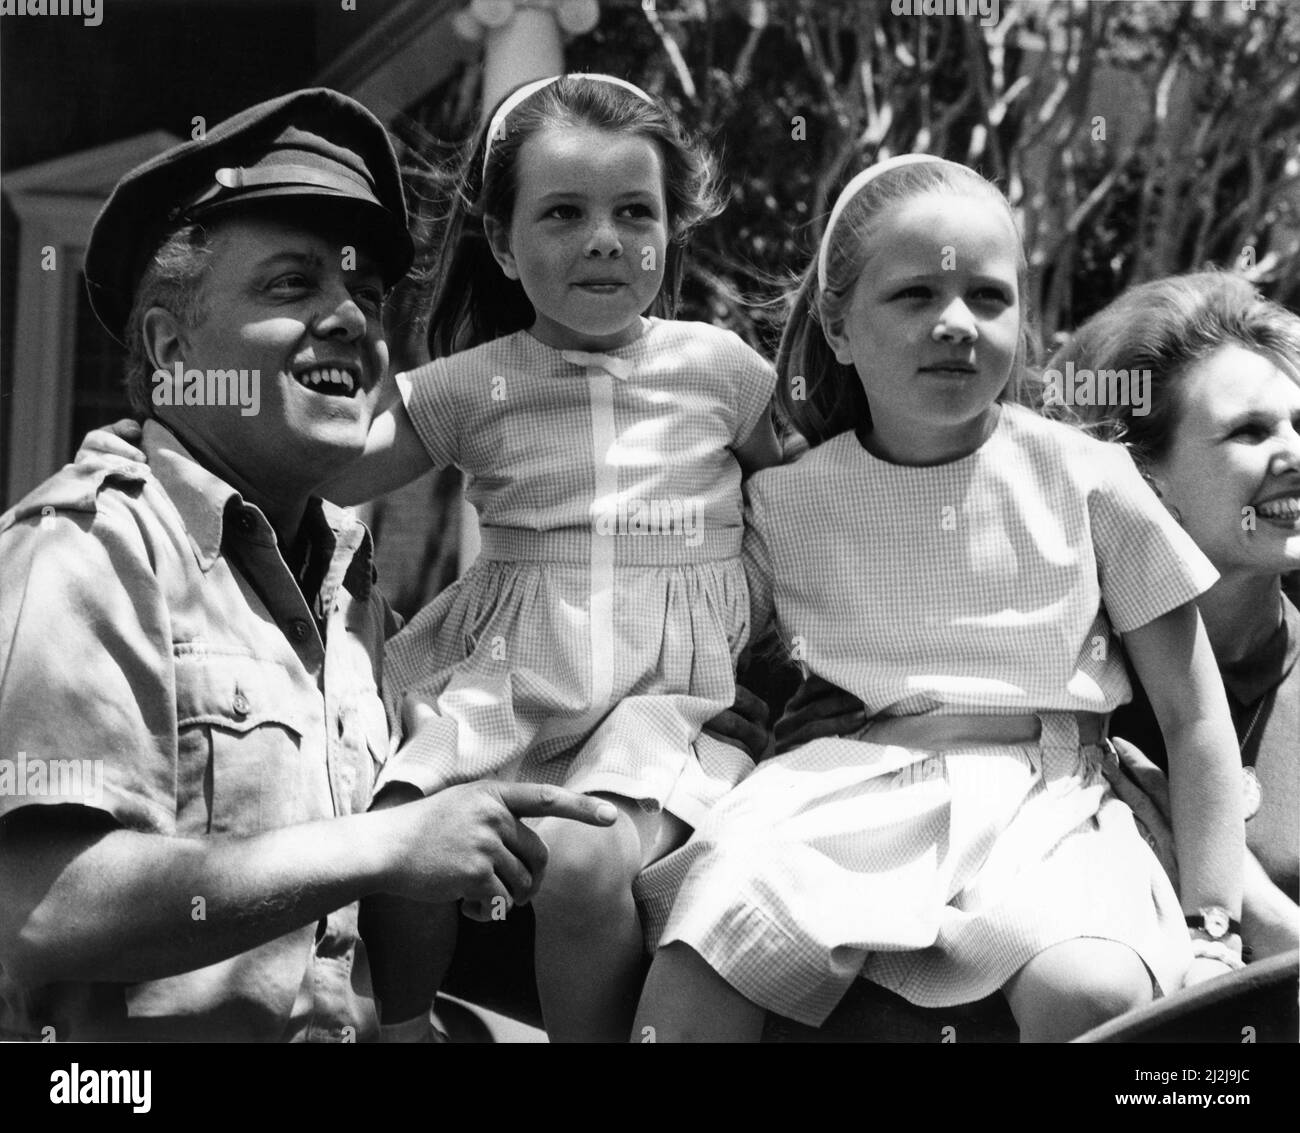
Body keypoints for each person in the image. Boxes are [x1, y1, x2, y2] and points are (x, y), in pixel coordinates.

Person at [0, 88, 619, 1043]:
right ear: (172, 352)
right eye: (292, 287)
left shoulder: (346, 585)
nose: (350, 321)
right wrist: (383, 845)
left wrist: (702, 713)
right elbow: (41, 908)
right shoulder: (88, 550)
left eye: (365, 297)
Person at [631, 154, 1244, 1043]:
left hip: (1049, 799)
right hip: (837, 796)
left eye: (989, 298)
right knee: (703, 961)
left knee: (1092, 991)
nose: (957, 324)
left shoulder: (1088, 478)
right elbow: (691, 644)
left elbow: (1193, 715)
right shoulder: (791, 500)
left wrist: (1213, 923)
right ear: (838, 329)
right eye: (915, 296)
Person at [314, 73, 781, 1042]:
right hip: (512, 676)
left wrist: (797, 659)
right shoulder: (468, 384)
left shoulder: (721, 369)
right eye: (563, 212)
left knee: (579, 858)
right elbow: (324, 473)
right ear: (501, 241)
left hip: (670, 694)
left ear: (667, 232)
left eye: (633, 212)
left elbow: (810, 506)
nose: (603, 237)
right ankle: (404, 1028)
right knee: (402, 820)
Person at [1045, 271, 1300, 960]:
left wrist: (1265, 915)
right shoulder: (1042, 687)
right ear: (1137, 477)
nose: (1296, 454)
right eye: (1250, 431)